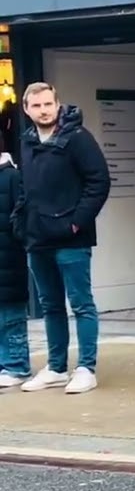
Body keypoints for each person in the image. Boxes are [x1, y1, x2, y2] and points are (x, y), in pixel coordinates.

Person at [16, 82, 111, 395]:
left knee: (81, 304)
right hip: (37, 238)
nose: (44, 111)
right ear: (26, 109)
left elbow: (99, 181)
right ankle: (56, 367)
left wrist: (76, 223)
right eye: (37, 106)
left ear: (57, 104)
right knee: (50, 305)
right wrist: (22, 221)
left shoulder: (78, 138)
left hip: (72, 239)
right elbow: (26, 187)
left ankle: (86, 367)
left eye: (48, 104)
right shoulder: (27, 140)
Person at [0, 150, 30, 389]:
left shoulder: (11, 176)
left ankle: (17, 365)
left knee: (11, 317)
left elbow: (20, 217)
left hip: (8, 258)